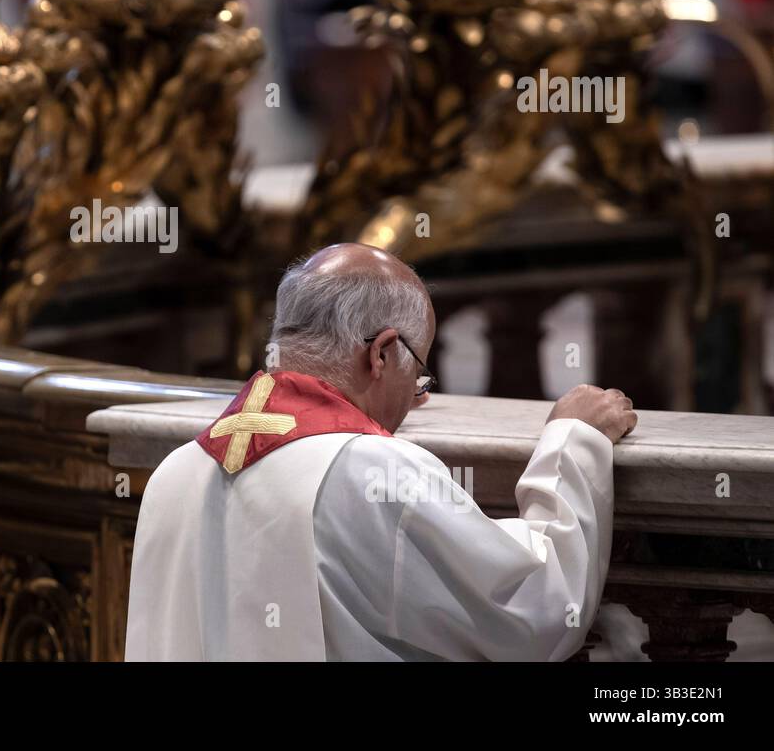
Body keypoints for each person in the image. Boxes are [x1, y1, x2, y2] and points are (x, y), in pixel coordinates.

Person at [126, 243, 637, 661]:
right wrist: (574, 442)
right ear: (381, 352)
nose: (422, 395)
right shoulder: (372, 472)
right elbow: (536, 610)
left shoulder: (175, 471)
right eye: (417, 373)